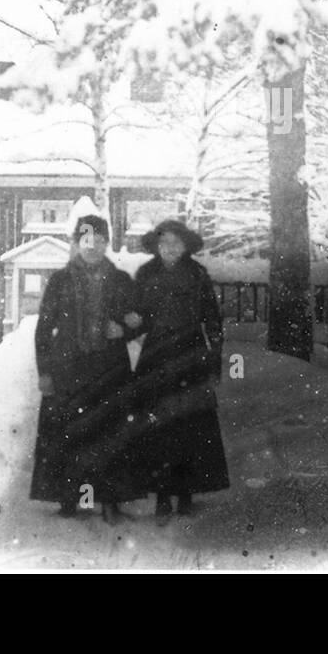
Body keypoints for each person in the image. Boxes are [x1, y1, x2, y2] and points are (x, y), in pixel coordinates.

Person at [30, 213, 144, 524]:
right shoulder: (60, 281)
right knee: (71, 435)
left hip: (109, 369)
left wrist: (124, 330)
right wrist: (45, 372)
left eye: (99, 240)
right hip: (69, 370)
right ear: (78, 243)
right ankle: (72, 498)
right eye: (86, 240)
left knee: (110, 434)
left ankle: (109, 499)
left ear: (107, 243)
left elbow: (138, 319)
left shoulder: (121, 280)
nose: (92, 246)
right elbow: (44, 329)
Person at [130, 219, 229, 518]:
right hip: (157, 357)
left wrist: (215, 359)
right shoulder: (145, 274)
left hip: (191, 355)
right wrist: (132, 323)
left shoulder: (198, 274)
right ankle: (161, 494)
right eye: (165, 243)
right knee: (159, 424)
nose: (170, 248)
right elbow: (139, 317)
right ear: (157, 246)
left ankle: (185, 492)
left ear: (185, 246)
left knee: (190, 426)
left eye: (176, 243)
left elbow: (212, 321)